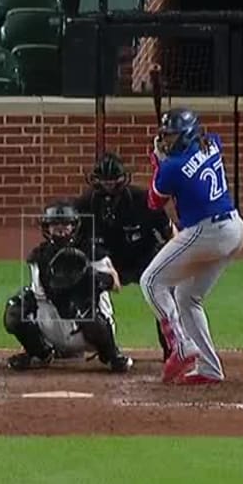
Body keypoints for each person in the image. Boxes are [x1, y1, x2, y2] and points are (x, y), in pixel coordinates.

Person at [141, 108, 243, 385]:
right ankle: (210, 368)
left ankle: (181, 346)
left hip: (207, 232)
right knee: (187, 297)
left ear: (186, 134)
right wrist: (165, 163)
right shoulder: (211, 142)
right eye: (165, 135)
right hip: (235, 229)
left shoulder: (172, 168)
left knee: (151, 281)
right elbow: (199, 153)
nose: (166, 141)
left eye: (172, 136)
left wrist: (157, 165)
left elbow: (154, 202)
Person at [2, 200, 133, 373]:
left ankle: (111, 355)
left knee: (82, 307)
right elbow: (40, 295)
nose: (60, 229)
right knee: (16, 308)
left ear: (74, 226)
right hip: (55, 324)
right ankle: (41, 352)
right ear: (46, 228)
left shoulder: (90, 250)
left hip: (90, 326)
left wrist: (91, 278)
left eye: (66, 224)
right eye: (55, 224)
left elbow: (116, 284)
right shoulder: (39, 256)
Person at [73, 152, 175, 360]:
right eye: (104, 182)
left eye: (113, 182)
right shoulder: (84, 205)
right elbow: (75, 244)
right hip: (105, 261)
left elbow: (171, 234)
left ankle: (173, 347)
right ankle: (104, 346)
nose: (109, 187)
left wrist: (177, 263)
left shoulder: (143, 200)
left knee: (165, 285)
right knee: (81, 280)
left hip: (143, 257)